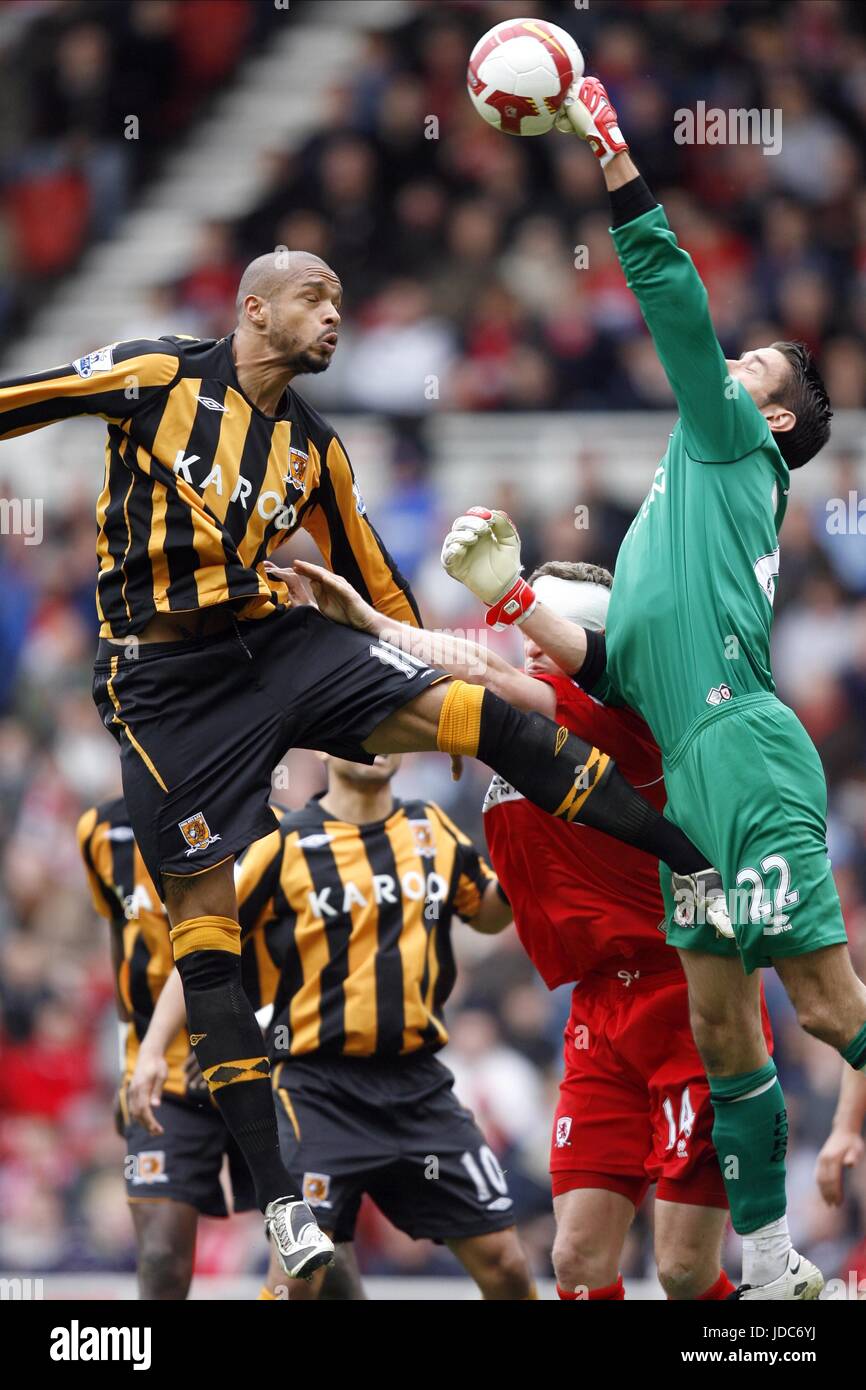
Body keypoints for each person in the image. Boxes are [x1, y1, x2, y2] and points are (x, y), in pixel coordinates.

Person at [0, 248, 725, 1278]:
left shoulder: (312, 451)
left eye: (342, 298)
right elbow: (28, 396)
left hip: (279, 644)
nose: (335, 316)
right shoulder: (157, 376)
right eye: (314, 298)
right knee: (200, 935)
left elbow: (384, 594)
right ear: (254, 311)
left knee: (480, 717)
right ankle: (285, 1209)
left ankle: (692, 862)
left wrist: (420, 649)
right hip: (167, 692)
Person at [438, 76, 866, 1300]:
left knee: (830, 1004)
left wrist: (602, 139)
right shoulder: (667, 513)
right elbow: (617, 667)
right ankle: (777, 1265)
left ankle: (771, 1258)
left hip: (741, 749)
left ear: (772, 418)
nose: (727, 365)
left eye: (751, 366)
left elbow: (668, 293)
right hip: (686, 766)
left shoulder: (729, 444)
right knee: (727, 1027)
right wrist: (516, 595)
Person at [281, 556, 754, 1301]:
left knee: (687, 1270)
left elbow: (485, 677)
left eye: (558, 628)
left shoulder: (624, 712)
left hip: (686, 996)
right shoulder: (522, 722)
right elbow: (473, 673)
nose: (533, 642)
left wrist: (376, 627)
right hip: (600, 1010)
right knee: (575, 1265)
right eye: (528, 629)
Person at [133, 751, 534, 1300]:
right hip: (317, 1093)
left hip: (420, 1089)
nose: (377, 746)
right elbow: (209, 948)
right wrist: (155, 1046)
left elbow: (488, 913)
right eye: (362, 733)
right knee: (299, 1277)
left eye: (392, 732)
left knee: (507, 1265)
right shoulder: (283, 843)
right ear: (326, 745)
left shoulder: (431, 828)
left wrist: (527, 843)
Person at [77, 796, 256, 1299]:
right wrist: (126, 1065)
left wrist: (242, 1031)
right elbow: (122, 939)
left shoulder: (260, 824)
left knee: (316, 1250)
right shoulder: (99, 831)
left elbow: (291, 955)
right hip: (164, 1078)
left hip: (266, 1070)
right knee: (160, 1257)